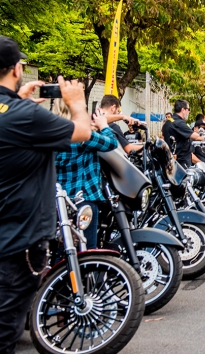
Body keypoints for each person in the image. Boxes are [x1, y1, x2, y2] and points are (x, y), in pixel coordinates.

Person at [0, 36, 92, 354]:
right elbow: (82, 131)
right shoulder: (24, 115)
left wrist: (17, 100)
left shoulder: (16, 111)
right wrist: (77, 102)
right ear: (17, 69)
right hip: (16, 242)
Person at [54, 101, 118, 249]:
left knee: (63, 248)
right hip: (84, 198)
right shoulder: (81, 135)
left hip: (61, 200)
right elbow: (112, 143)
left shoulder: (53, 131)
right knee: (87, 250)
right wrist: (103, 125)